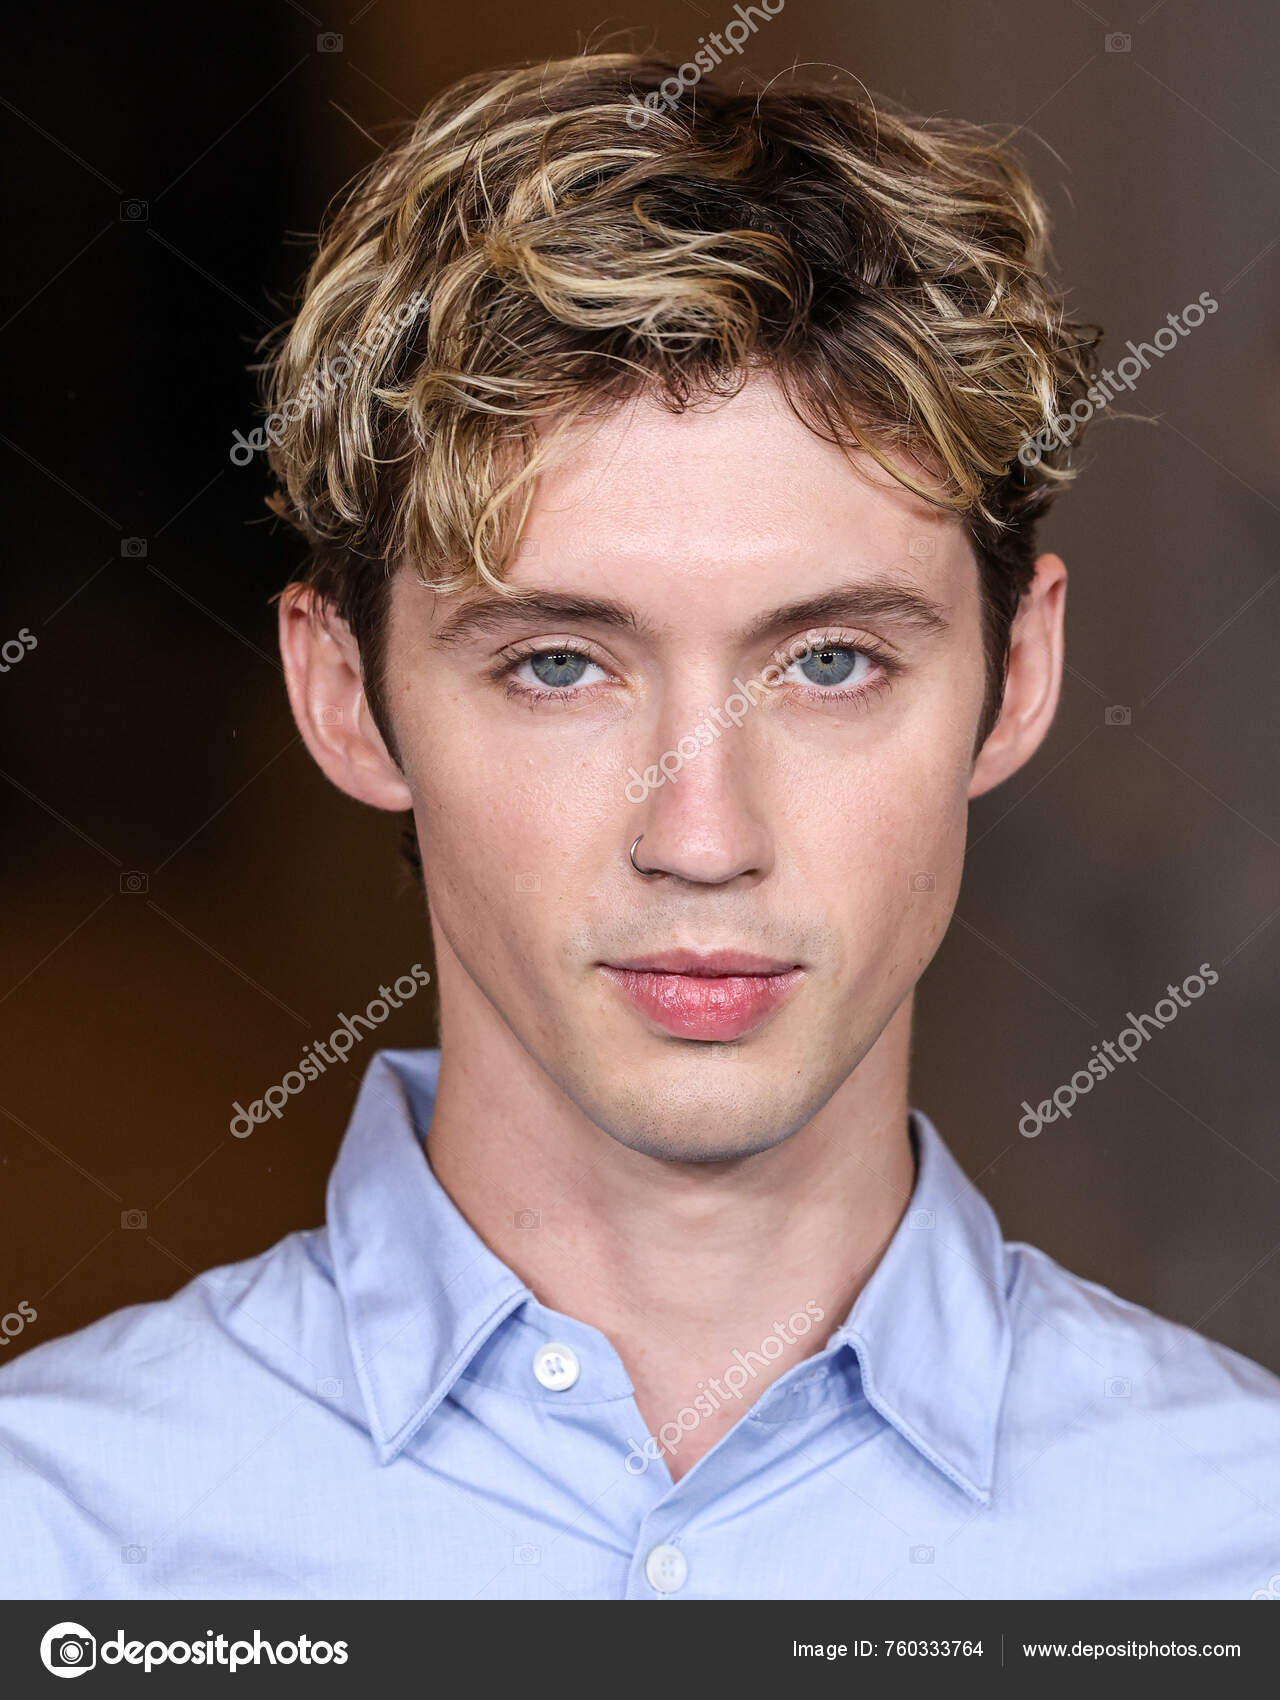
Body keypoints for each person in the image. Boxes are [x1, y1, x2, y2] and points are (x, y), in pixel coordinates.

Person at [3, 51, 1277, 1602]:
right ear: (344, 696)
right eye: (558, 665)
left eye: (829, 662)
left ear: (1019, 681)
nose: (700, 832)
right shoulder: (53, 1531)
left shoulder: (1238, 1542)